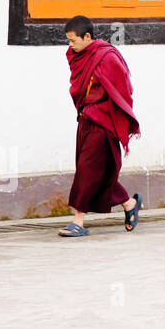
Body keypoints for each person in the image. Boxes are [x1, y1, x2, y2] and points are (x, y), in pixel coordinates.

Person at [59, 15, 142, 238]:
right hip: (85, 119)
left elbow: (123, 92)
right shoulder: (80, 55)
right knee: (97, 173)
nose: (70, 45)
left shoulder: (107, 57)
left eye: (73, 40)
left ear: (87, 37)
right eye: (68, 40)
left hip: (103, 122)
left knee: (87, 170)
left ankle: (78, 220)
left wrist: (114, 121)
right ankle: (129, 204)